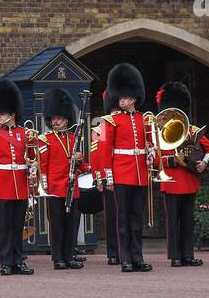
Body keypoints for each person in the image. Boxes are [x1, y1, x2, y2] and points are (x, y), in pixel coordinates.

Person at [155, 82, 209, 268]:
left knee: (188, 220)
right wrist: (174, 161)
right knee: (173, 222)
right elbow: (156, 158)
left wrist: (204, 162)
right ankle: (175, 256)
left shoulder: (192, 130)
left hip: (189, 181)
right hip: (172, 181)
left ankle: (188, 255)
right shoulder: (161, 132)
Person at [98, 64, 152, 273]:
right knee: (122, 221)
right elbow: (104, 151)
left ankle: (137, 257)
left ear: (134, 97)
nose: (121, 99)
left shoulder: (143, 119)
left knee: (136, 220)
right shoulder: (110, 121)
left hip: (139, 174)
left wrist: (150, 156)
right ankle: (125, 258)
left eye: (126, 96)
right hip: (120, 174)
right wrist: (108, 177)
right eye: (119, 96)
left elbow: (149, 144)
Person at [0, 80, 34, 276]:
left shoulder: (25, 134)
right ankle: (5, 260)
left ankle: (18, 261)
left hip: (20, 184)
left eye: (2, 113)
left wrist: (32, 169)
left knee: (17, 225)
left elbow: (32, 158)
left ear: (12, 114)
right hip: (2, 185)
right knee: (3, 226)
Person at [38, 87, 90, 270]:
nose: (55, 121)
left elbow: (83, 167)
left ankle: (69, 256)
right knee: (57, 226)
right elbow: (42, 167)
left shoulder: (73, 138)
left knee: (71, 225)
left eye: (58, 118)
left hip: (72, 188)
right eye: (53, 119)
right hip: (55, 189)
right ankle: (58, 258)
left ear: (66, 119)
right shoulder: (45, 140)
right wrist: (45, 186)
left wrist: (80, 159)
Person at [92, 90, 121, 266]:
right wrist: (99, 177)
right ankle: (113, 252)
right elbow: (96, 154)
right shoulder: (101, 128)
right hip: (108, 176)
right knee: (111, 216)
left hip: (125, 174)